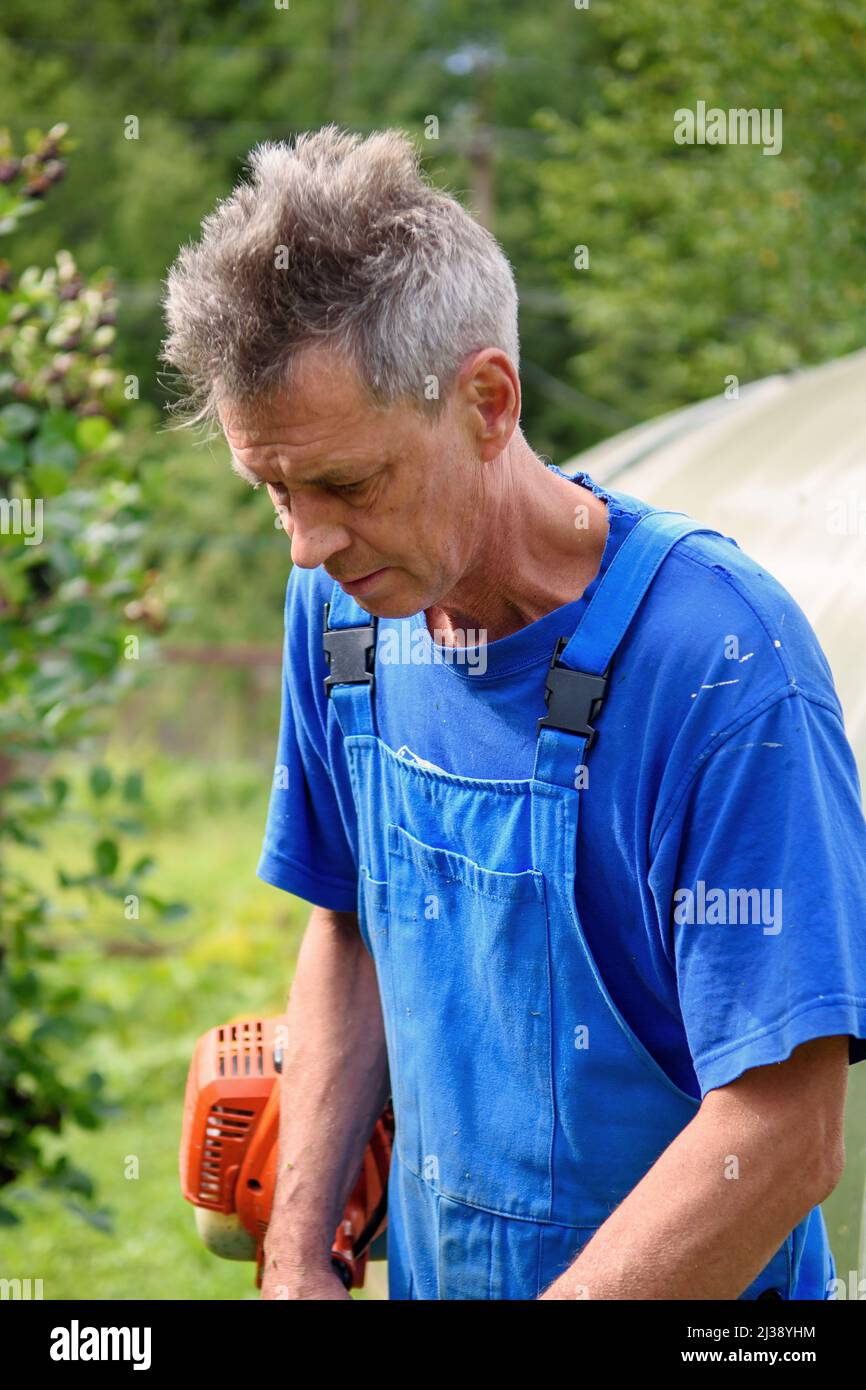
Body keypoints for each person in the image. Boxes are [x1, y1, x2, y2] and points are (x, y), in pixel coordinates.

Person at [161, 124, 866, 1300]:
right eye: (271, 489)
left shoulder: (719, 661)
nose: (304, 541)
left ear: (486, 401)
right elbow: (347, 924)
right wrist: (296, 1258)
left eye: (343, 482)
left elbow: (785, 1134)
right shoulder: (339, 613)